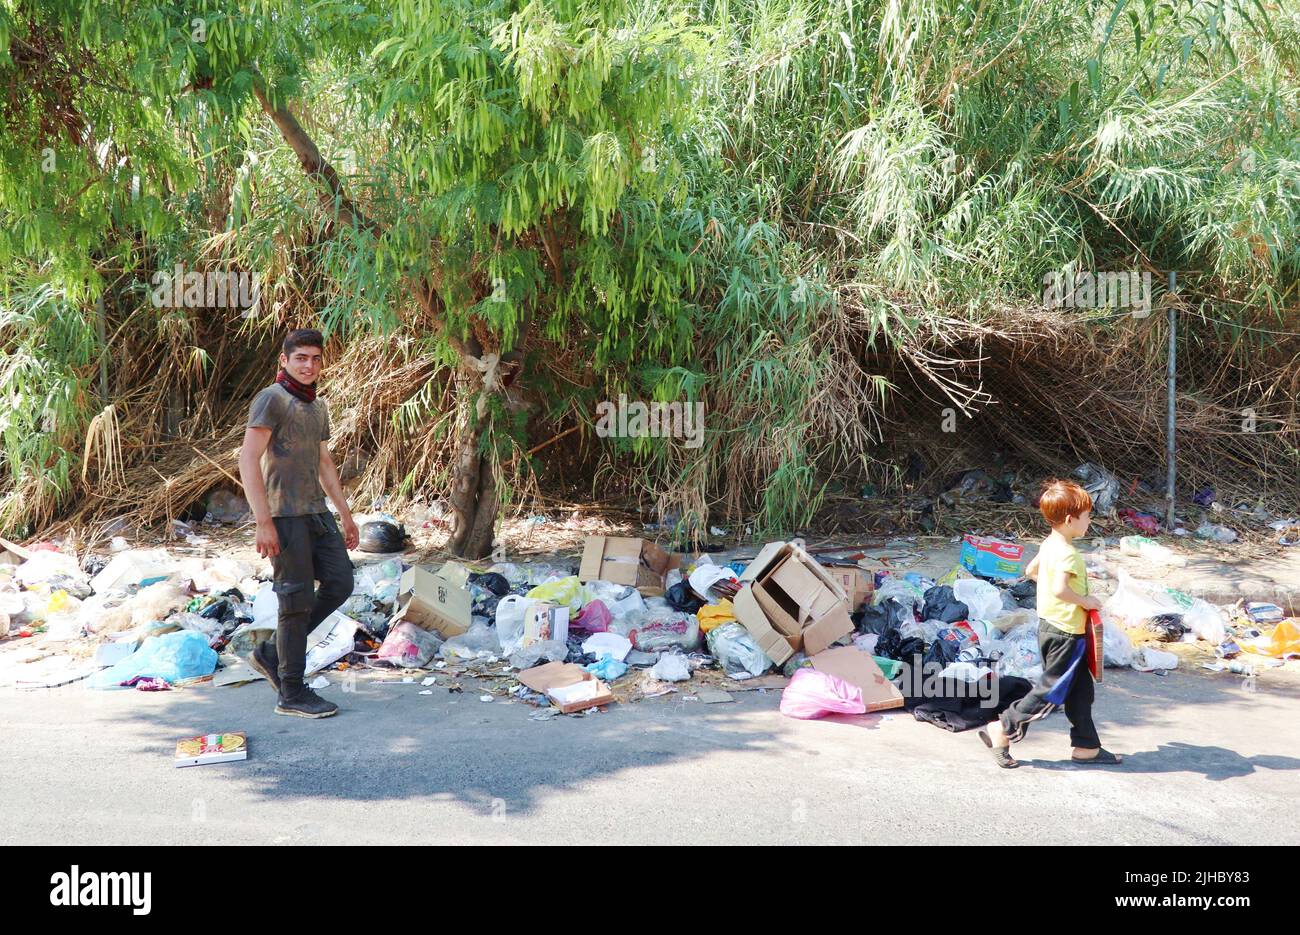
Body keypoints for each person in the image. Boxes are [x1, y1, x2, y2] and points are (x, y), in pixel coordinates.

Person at [238, 329, 359, 718]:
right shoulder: (271, 399)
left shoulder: (317, 406)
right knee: (295, 600)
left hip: (315, 513)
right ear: (284, 361)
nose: (309, 365)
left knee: (340, 583)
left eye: (316, 359)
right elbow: (248, 459)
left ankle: (273, 654)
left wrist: (344, 513)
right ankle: (291, 691)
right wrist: (262, 522)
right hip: (283, 515)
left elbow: (325, 462)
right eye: (301, 358)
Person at [980, 479, 1122, 768]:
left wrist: (1069, 585)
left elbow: (1031, 571)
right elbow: (1059, 590)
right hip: (1065, 633)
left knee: (1081, 690)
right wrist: (1085, 600)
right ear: (1071, 520)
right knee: (1051, 691)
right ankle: (1004, 727)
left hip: (1050, 627)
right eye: (1087, 516)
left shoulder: (1049, 543)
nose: (1089, 521)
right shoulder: (1068, 553)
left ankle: (1087, 746)